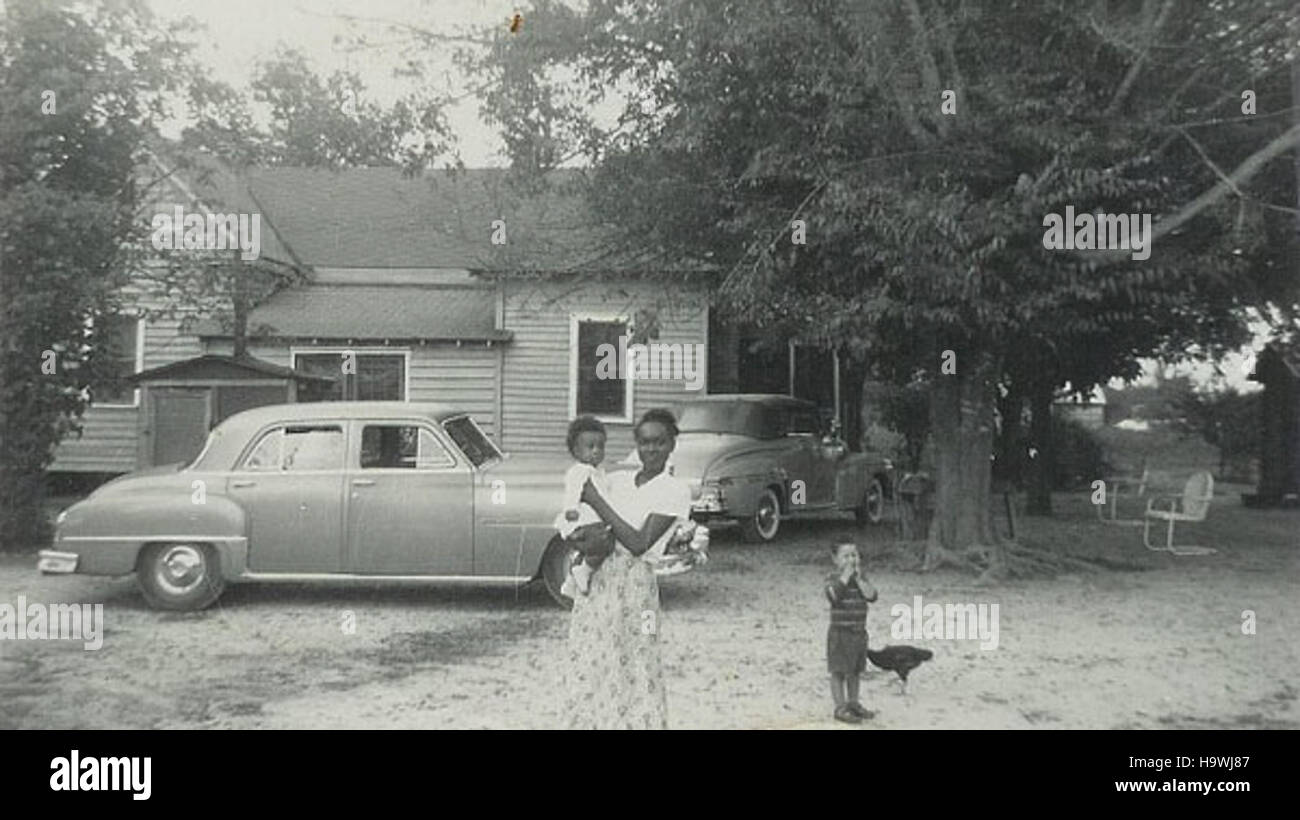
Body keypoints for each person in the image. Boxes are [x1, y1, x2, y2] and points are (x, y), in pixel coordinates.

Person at [560, 408, 691, 729]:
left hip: (637, 590)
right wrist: (580, 540)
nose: (651, 450)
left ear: (672, 444)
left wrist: (594, 500)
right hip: (600, 580)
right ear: (636, 444)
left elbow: (637, 543)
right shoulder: (616, 480)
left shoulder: (675, 491)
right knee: (593, 660)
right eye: (645, 442)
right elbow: (583, 521)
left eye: (659, 442)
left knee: (639, 660)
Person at [554, 415, 610, 596]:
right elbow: (572, 496)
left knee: (602, 545)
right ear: (576, 452)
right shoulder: (579, 471)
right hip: (582, 520)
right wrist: (573, 523)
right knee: (604, 545)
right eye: (590, 447)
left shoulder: (598, 471)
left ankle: (571, 582)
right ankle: (582, 571)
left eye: (601, 446)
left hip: (594, 519)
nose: (596, 451)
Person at [825, 542, 878, 724]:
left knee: (855, 670)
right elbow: (833, 595)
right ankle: (840, 707)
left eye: (854, 555)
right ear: (835, 560)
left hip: (858, 632)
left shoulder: (861, 577)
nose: (851, 560)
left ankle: (854, 702)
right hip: (840, 633)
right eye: (845, 556)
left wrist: (859, 579)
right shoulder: (833, 578)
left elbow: (872, 596)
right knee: (838, 671)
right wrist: (845, 577)